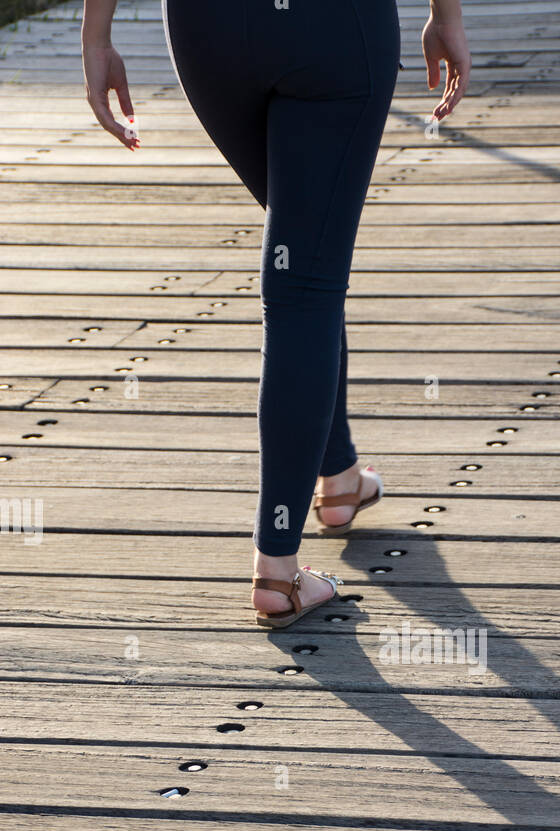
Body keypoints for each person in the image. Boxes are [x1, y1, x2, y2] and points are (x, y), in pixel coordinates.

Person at [81, 0, 471, 628]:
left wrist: (96, 36)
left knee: (306, 249)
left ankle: (339, 474)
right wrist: (444, 12)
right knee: (306, 282)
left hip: (209, 33)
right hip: (334, 28)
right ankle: (277, 571)